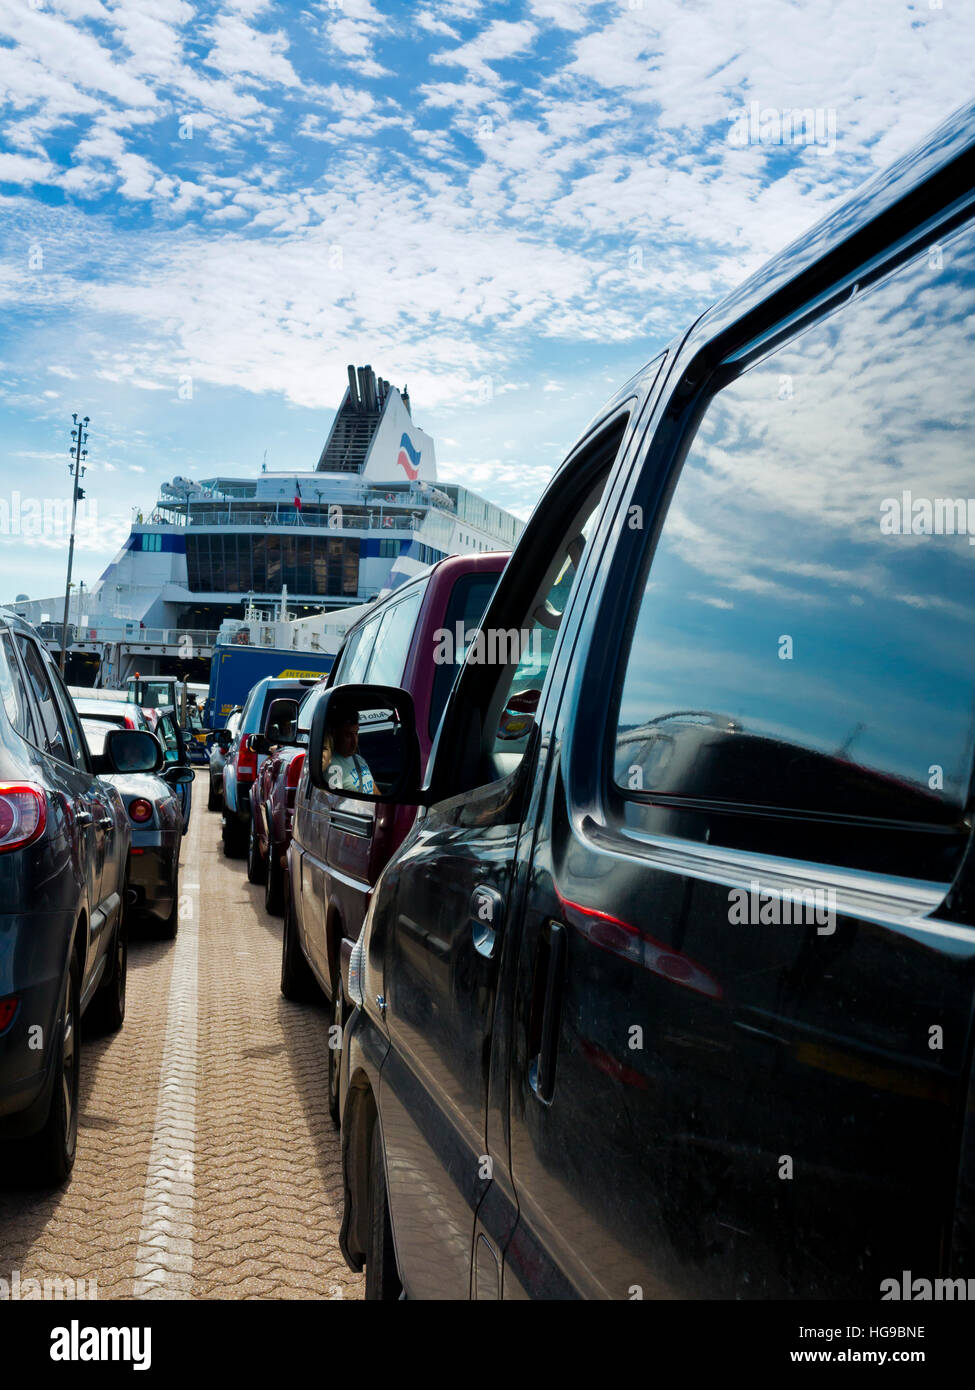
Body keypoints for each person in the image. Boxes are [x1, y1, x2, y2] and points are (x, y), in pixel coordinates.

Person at [323, 698, 374, 793]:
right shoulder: (331, 766)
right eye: (348, 735)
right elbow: (335, 801)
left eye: (356, 733)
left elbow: (375, 791)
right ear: (335, 735)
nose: (355, 741)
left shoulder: (359, 759)